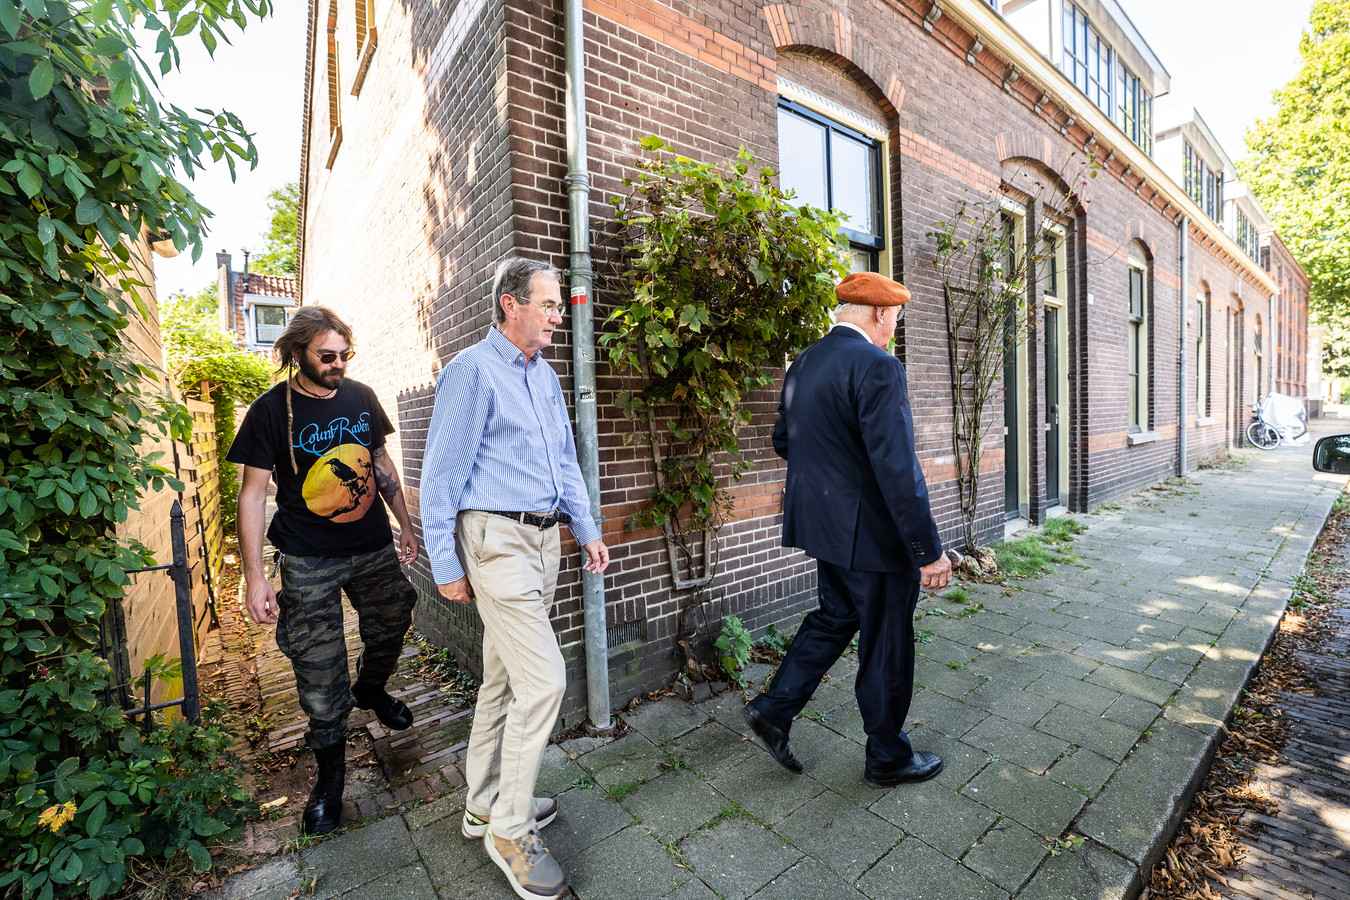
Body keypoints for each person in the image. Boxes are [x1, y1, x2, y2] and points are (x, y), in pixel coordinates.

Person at [421, 257, 609, 900]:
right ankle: (509, 829)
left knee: (504, 678)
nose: (559, 316)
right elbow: (441, 476)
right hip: (496, 541)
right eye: (549, 305)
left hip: (544, 540)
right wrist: (445, 564)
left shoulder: (545, 376)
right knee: (545, 679)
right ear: (511, 304)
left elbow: (565, 459)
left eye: (559, 306)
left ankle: (483, 803)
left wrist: (585, 527)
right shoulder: (471, 372)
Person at [743, 271, 953, 788]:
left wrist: (834, 486)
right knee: (886, 642)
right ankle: (887, 757)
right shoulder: (879, 365)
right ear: (880, 313)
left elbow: (785, 440)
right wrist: (927, 551)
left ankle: (774, 709)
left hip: (824, 528)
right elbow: (896, 467)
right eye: (895, 318)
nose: (894, 328)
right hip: (876, 540)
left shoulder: (804, 362)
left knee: (835, 617)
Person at [227, 306, 420, 836]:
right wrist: (255, 576)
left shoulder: (360, 397)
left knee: (393, 621)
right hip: (308, 556)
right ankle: (330, 779)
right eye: (327, 356)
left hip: (372, 546)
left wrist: (404, 524)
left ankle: (372, 690)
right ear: (297, 354)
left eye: (344, 355)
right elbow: (252, 494)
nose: (338, 364)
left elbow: (379, 463)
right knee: (318, 664)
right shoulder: (270, 411)